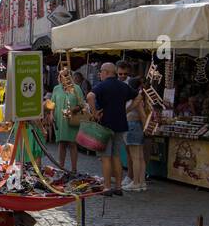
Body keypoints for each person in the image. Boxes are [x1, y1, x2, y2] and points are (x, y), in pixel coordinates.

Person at [86, 62, 131, 196]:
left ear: (106, 72)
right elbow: (139, 96)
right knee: (116, 156)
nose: (100, 73)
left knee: (106, 157)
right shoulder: (123, 86)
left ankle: (106, 187)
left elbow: (89, 96)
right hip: (120, 125)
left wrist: (94, 114)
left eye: (100, 71)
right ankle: (118, 187)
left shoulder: (102, 85)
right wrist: (129, 108)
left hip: (105, 126)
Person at [52, 68, 84, 173]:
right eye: (62, 76)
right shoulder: (56, 88)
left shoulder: (76, 88)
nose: (64, 78)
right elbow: (52, 104)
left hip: (72, 119)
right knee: (61, 144)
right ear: (59, 77)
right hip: (60, 119)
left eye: (66, 75)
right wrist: (51, 115)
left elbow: (81, 104)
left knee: (73, 144)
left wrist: (73, 110)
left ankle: (74, 169)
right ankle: (61, 168)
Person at [125, 81, 150, 192]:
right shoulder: (139, 99)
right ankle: (141, 182)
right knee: (140, 157)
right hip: (137, 126)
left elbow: (143, 115)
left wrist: (145, 129)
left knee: (135, 157)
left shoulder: (137, 100)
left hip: (133, 126)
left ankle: (136, 182)